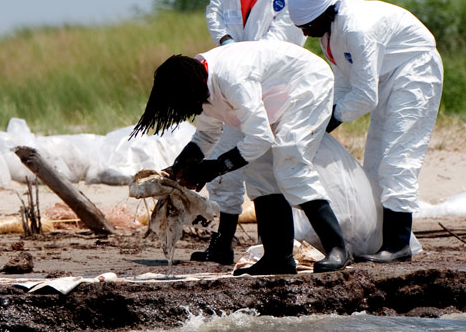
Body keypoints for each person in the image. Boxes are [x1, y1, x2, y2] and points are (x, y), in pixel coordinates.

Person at [131, 40, 353, 275]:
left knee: (290, 161)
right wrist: (177, 169)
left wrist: (213, 168)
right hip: (273, 96)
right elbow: (206, 135)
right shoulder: (198, 83)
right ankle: (278, 257)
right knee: (258, 171)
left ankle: (338, 248)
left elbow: (259, 139)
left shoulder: (232, 80)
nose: (194, 111)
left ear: (195, 91)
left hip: (307, 84)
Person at [287, 0, 444, 263]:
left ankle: (398, 245)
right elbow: (346, 85)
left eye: (308, 25)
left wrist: (327, 122)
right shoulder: (329, 35)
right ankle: (382, 239)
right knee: (374, 162)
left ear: (324, 12)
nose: (307, 33)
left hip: (414, 72)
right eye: (302, 28)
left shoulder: (357, 29)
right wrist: (322, 117)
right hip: (387, 77)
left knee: (398, 157)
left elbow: (364, 96)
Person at [196, 0, 313, 265]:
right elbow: (216, 10)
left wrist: (246, 62)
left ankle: (273, 249)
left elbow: (284, 41)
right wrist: (227, 45)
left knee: (266, 167)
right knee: (227, 165)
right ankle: (224, 243)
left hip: (274, 87)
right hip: (234, 79)